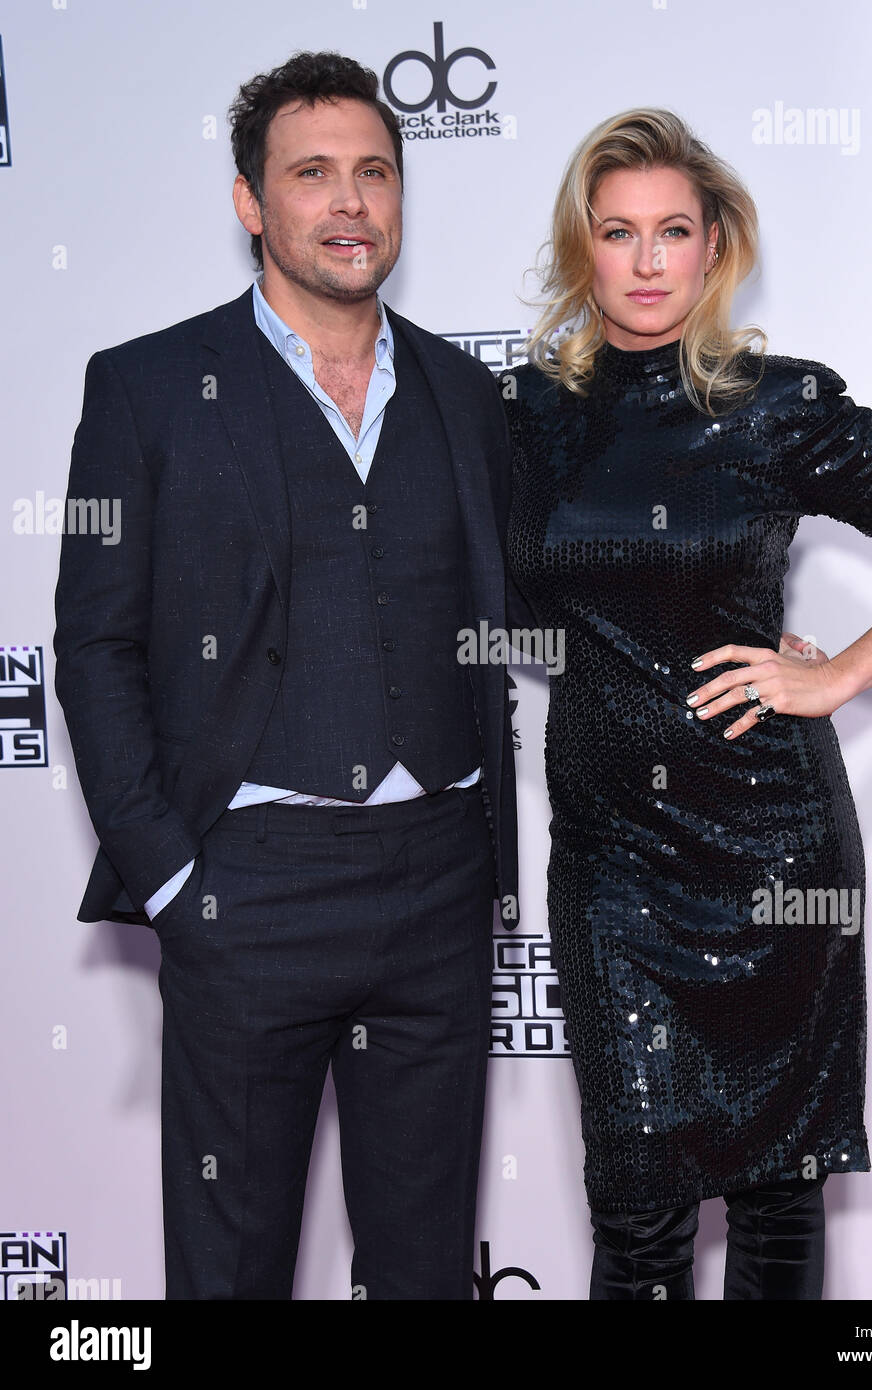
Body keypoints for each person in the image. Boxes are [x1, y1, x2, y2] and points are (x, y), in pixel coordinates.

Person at [501, 108, 872, 1300]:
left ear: (716, 245)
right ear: (583, 249)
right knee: (634, 1209)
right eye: (615, 232)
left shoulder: (776, 404)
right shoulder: (526, 416)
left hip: (772, 844)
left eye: (673, 230)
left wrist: (832, 673)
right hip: (613, 862)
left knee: (779, 1196)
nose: (645, 259)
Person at [53, 51, 519, 1300]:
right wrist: (169, 871)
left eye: (374, 171)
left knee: (424, 1271)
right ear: (252, 203)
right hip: (246, 888)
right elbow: (92, 642)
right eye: (312, 174)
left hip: (435, 880)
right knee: (232, 1266)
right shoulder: (144, 388)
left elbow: (551, 591)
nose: (349, 202)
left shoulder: (467, 394)